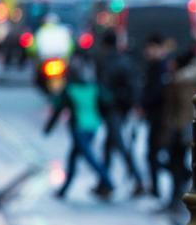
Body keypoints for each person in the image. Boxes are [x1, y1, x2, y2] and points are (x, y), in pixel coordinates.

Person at [44, 53, 114, 200]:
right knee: (74, 158)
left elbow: (58, 110)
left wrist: (48, 129)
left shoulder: (70, 90)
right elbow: (107, 100)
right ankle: (64, 190)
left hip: (79, 128)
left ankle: (108, 182)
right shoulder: (93, 87)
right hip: (93, 126)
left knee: (89, 157)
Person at [97, 31, 146, 196]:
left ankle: (138, 180)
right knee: (109, 145)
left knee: (118, 144)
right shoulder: (122, 60)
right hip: (119, 108)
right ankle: (105, 183)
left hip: (114, 108)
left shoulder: (110, 62)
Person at [161, 49, 196, 210]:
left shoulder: (180, 82)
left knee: (176, 163)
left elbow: (183, 108)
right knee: (176, 163)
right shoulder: (181, 81)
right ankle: (176, 195)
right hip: (181, 127)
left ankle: (176, 196)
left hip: (180, 128)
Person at [141, 34, 170, 198]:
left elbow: (157, 92)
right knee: (154, 154)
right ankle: (155, 188)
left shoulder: (161, 67)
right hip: (156, 116)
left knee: (156, 153)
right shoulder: (155, 66)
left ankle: (156, 189)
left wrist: (145, 103)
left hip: (161, 117)